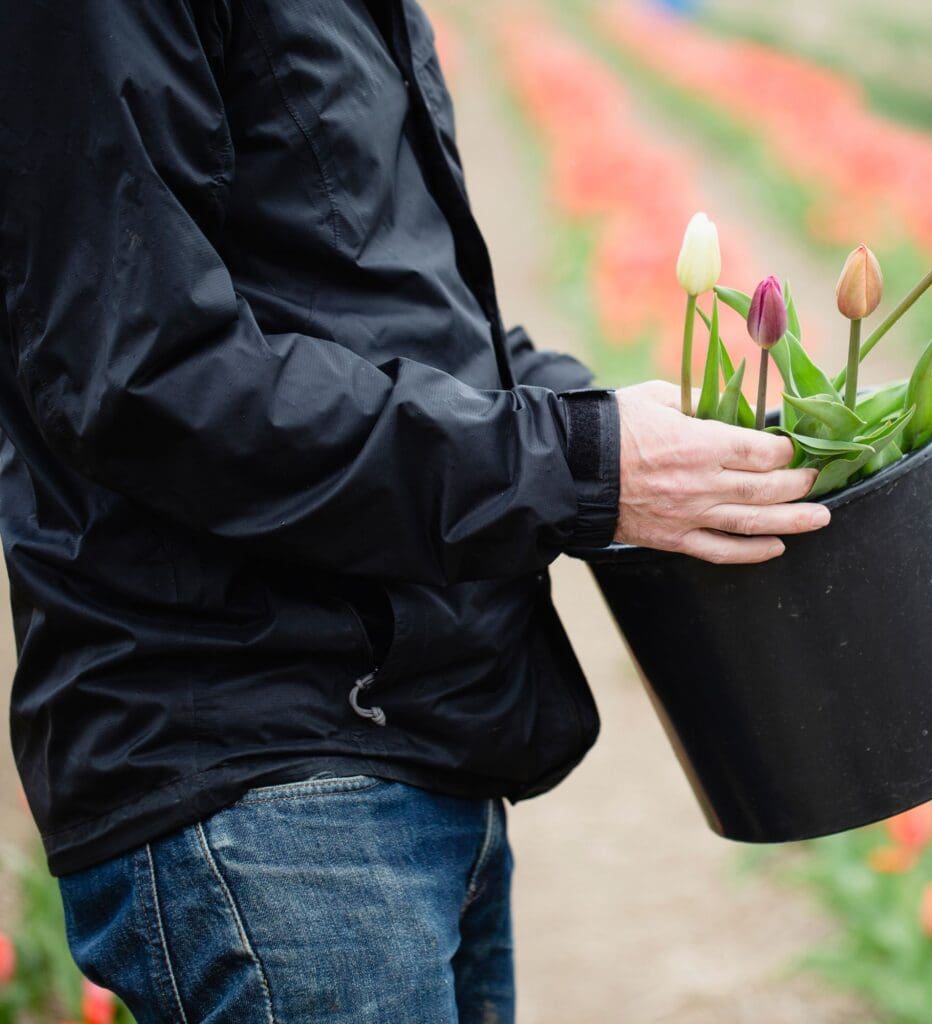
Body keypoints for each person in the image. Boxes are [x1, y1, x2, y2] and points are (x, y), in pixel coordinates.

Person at [0, 2, 829, 1020]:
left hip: (420, 739)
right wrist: (578, 464)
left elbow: (390, 314)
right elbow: (148, 377)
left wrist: (610, 424)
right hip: (263, 773)